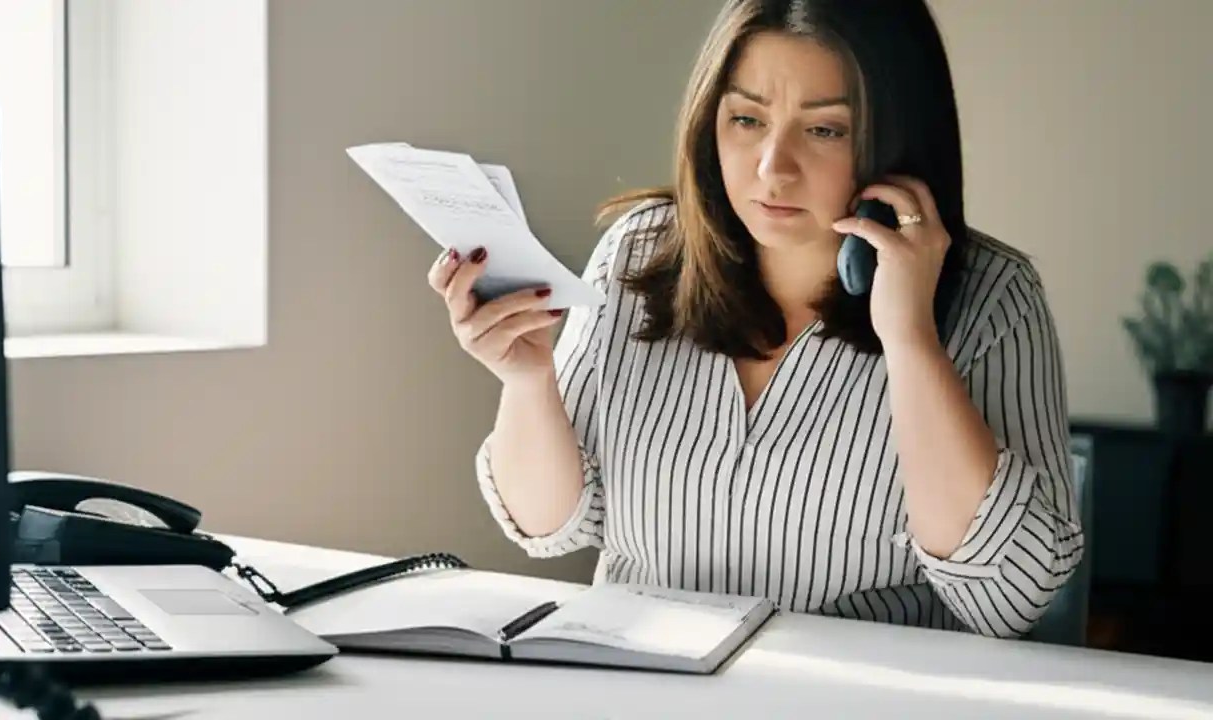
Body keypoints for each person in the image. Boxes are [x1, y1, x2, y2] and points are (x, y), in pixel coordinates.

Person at [427, 0, 1083, 639]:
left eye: (825, 130)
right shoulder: (638, 251)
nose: (773, 168)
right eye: (746, 119)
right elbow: (550, 527)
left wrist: (911, 340)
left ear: (897, 142)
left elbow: (1012, 596)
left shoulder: (994, 298)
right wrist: (527, 381)